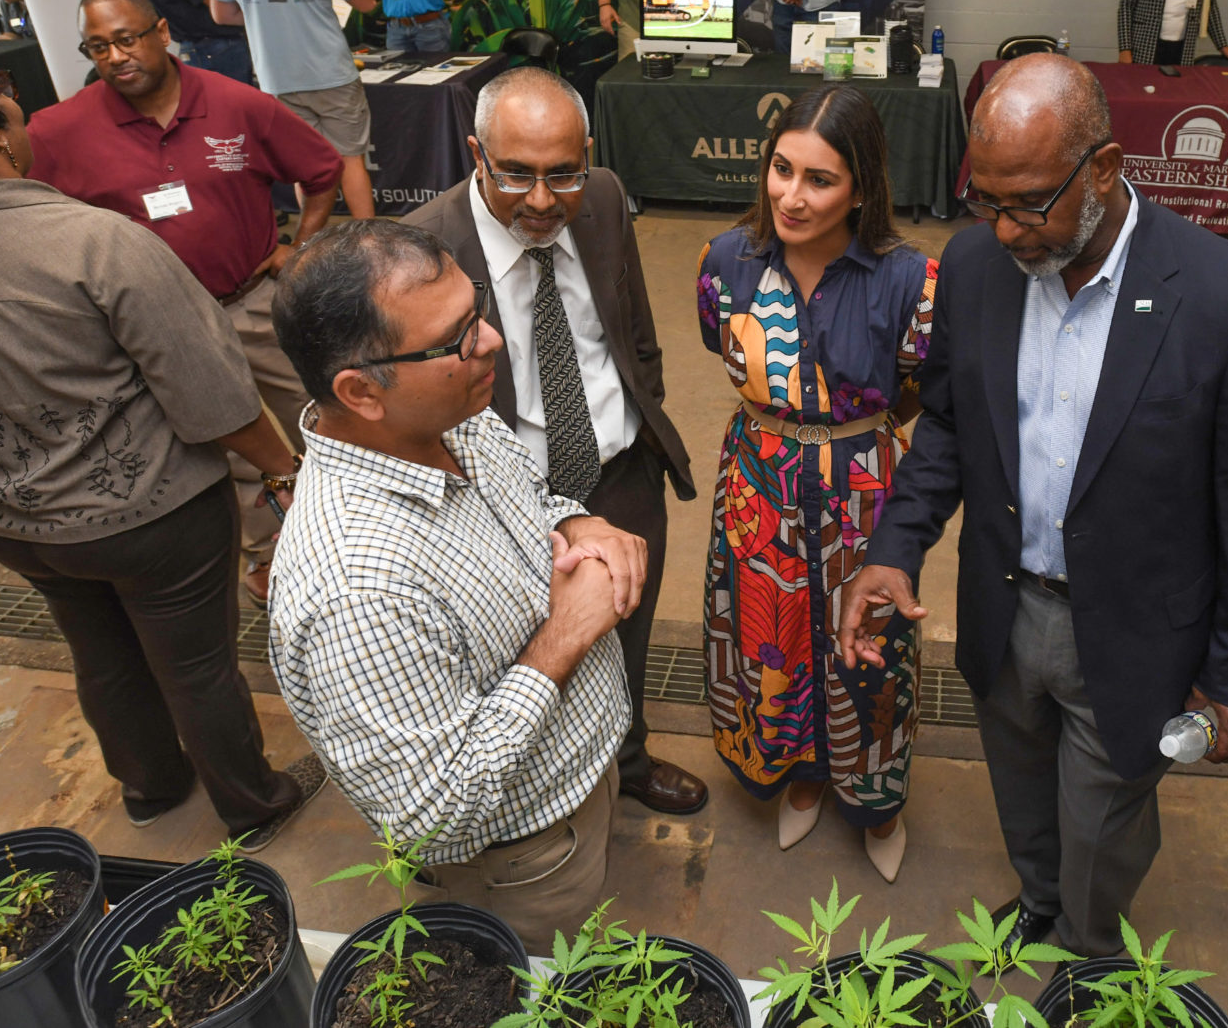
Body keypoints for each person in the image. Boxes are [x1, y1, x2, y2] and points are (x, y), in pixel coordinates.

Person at [0, 46, 322, 848]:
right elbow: (216, 400)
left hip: (14, 525)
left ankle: (150, 788)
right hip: (158, 520)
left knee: (102, 654)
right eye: (8, 104)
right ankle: (255, 803)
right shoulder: (95, 242)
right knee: (197, 667)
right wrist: (284, 468)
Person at [840, 53, 1228, 947]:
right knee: (1020, 789)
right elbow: (945, 424)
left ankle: (1092, 951)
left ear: (1104, 166)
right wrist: (896, 547)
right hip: (1005, 606)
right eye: (989, 200)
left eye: (1030, 202)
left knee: (1103, 818)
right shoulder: (974, 267)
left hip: (1133, 630)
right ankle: (1042, 899)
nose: (1007, 231)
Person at [265, 219, 649, 948]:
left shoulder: (450, 413)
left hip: (579, 788)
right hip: (523, 861)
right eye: (456, 337)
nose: (491, 340)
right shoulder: (356, 588)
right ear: (360, 390)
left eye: (476, 312)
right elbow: (434, 818)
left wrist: (579, 525)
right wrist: (563, 638)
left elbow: (530, 503)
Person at [406, 66, 705, 815]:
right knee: (531, 649)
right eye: (516, 175)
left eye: (561, 174)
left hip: (621, 474)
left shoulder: (600, 196)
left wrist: (642, 415)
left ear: (588, 156)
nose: (542, 201)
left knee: (627, 635)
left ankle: (626, 759)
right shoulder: (421, 249)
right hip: (511, 500)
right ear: (476, 155)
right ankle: (553, 792)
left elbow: (632, 327)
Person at [29, 0, 344, 604]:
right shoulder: (59, 129)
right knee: (217, 447)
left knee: (318, 422)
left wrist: (298, 249)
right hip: (150, 332)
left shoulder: (236, 104)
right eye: (97, 47)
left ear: (162, 31)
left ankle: (350, 536)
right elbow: (29, 216)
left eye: (126, 38)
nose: (116, 56)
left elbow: (322, 169)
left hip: (252, 303)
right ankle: (267, 554)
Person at [695, 84, 936, 883]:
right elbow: (719, 347)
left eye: (820, 179)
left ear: (861, 187)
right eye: (781, 168)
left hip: (862, 486)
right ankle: (798, 773)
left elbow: (918, 387)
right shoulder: (727, 260)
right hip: (756, 478)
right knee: (772, 638)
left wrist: (846, 434)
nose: (792, 196)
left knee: (870, 647)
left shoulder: (910, 280)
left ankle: (876, 795)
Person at [209, 0, 379, 220]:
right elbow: (365, 0)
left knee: (308, 167)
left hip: (277, 78)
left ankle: (311, 246)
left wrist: (261, 11)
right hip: (332, 73)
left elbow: (221, 14)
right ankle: (372, 241)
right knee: (351, 162)